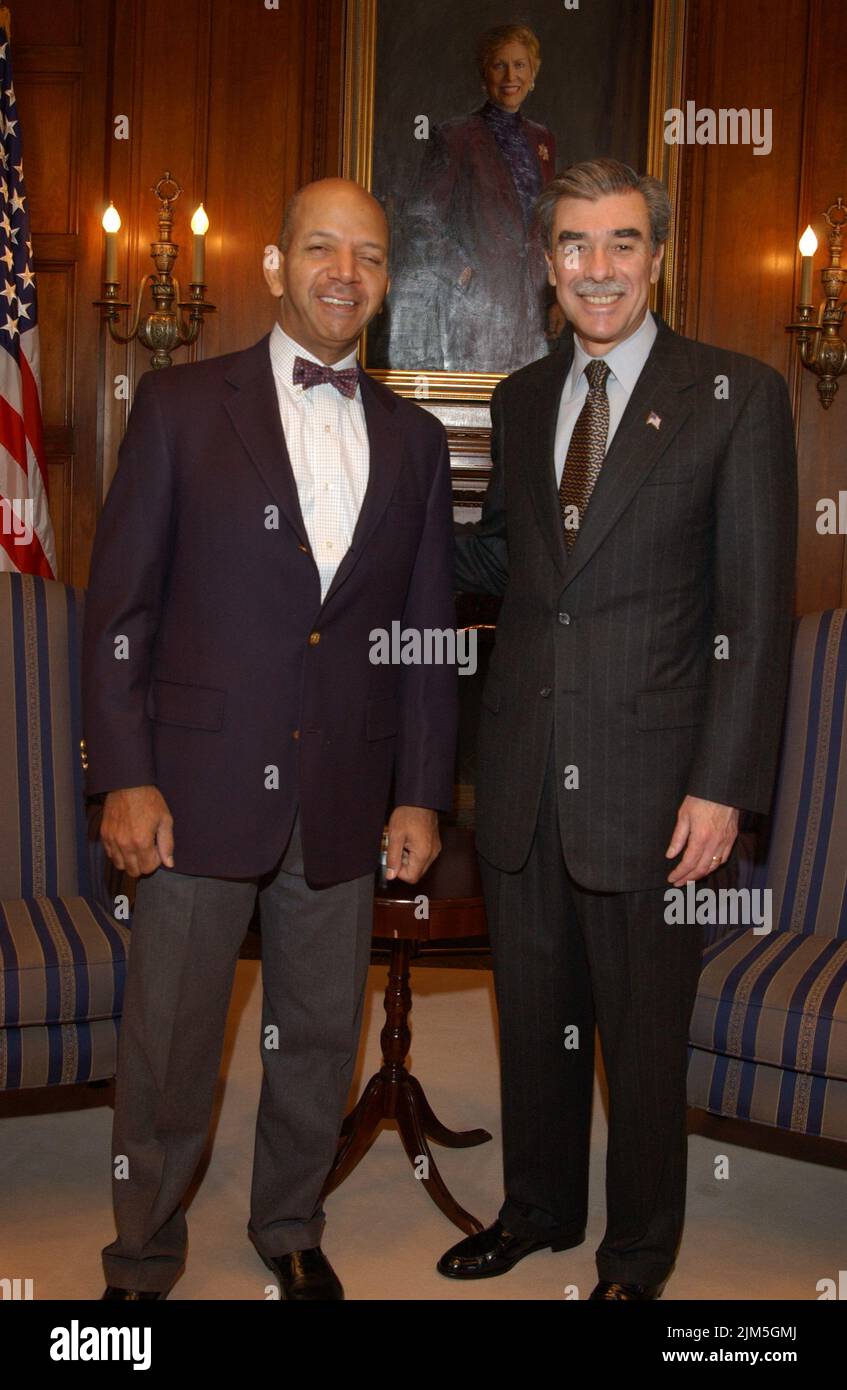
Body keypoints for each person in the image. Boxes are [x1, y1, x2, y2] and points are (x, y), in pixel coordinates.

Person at [82, 177, 458, 1301]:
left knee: (315, 1031)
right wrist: (126, 776)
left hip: (344, 791)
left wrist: (421, 794)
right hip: (189, 788)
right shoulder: (180, 404)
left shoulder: (418, 440)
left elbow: (427, 635)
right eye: (322, 248)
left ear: (388, 282)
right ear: (274, 263)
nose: (345, 272)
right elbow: (119, 613)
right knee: (170, 1047)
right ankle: (141, 1253)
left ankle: (290, 1223)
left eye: (370, 257)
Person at [445, 158, 798, 1298]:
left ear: (658, 255)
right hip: (522, 781)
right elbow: (512, 561)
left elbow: (753, 610)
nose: (598, 269)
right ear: (546, 263)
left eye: (623, 243)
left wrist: (724, 786)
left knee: (642, 1048)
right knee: (534, 1022)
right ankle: (539, 1208)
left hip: (660, 794)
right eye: (575, 246)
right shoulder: (518, 397)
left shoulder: (734, 396)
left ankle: (636, 1256)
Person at [383, 22, 559, 373]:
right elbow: (422, 220)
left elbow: (550, 225)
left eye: (520, 65)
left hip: (532, 310)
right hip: (475, 308)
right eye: (500, 65)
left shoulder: (543, 141)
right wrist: (463, 275)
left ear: (533, 73)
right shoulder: (456, 136)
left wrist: (556, 298)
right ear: (485, 75)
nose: (511, 75)